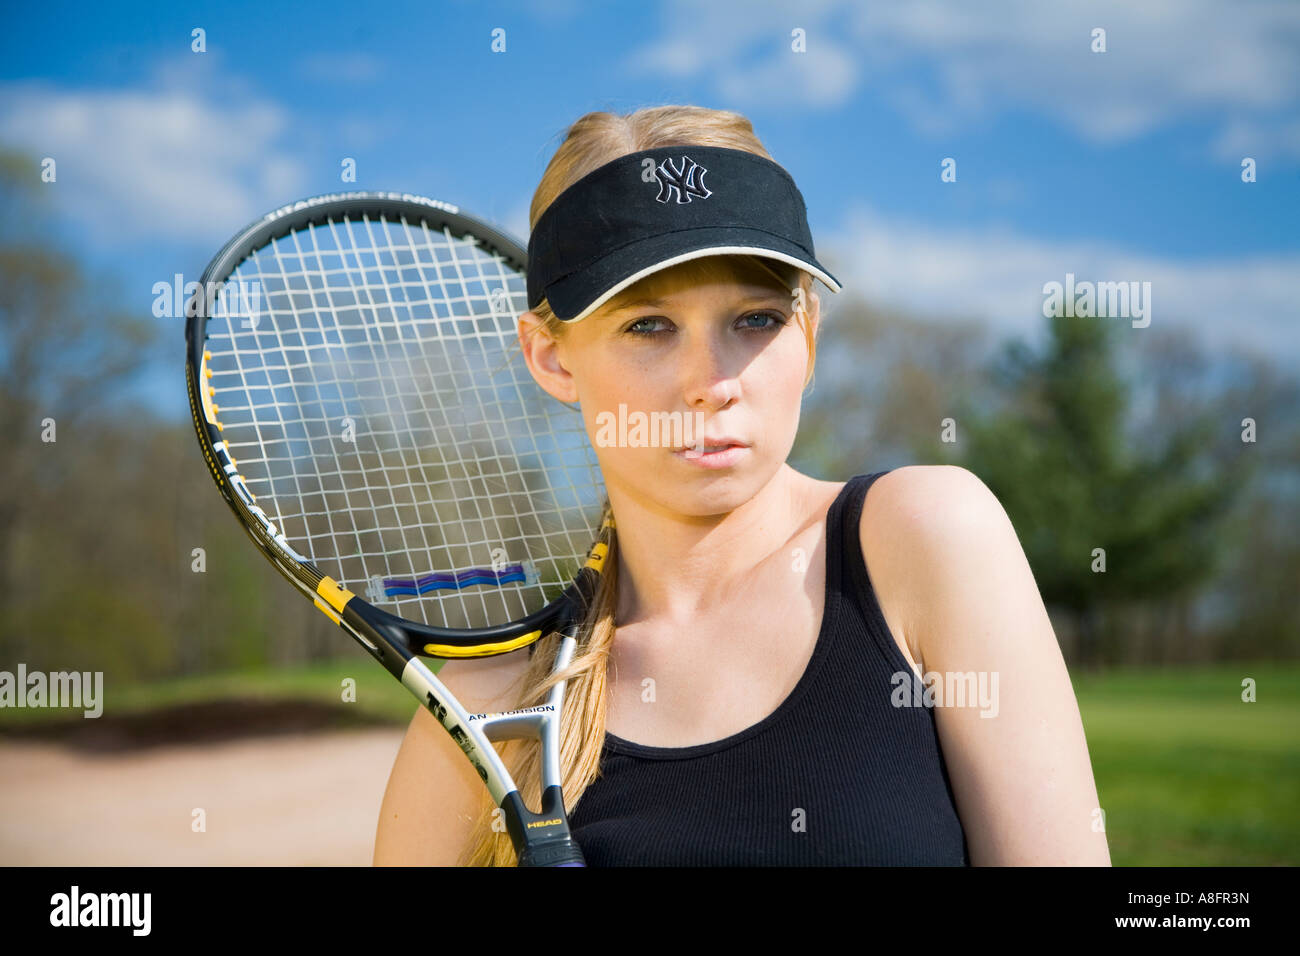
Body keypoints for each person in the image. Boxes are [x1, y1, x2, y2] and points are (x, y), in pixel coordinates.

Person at [373, 104, 1111, 867]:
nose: (711, 382)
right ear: (553, 359)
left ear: (811, 336)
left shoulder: (924, 538)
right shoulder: (490, 715)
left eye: (756, 320)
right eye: (649, 326)